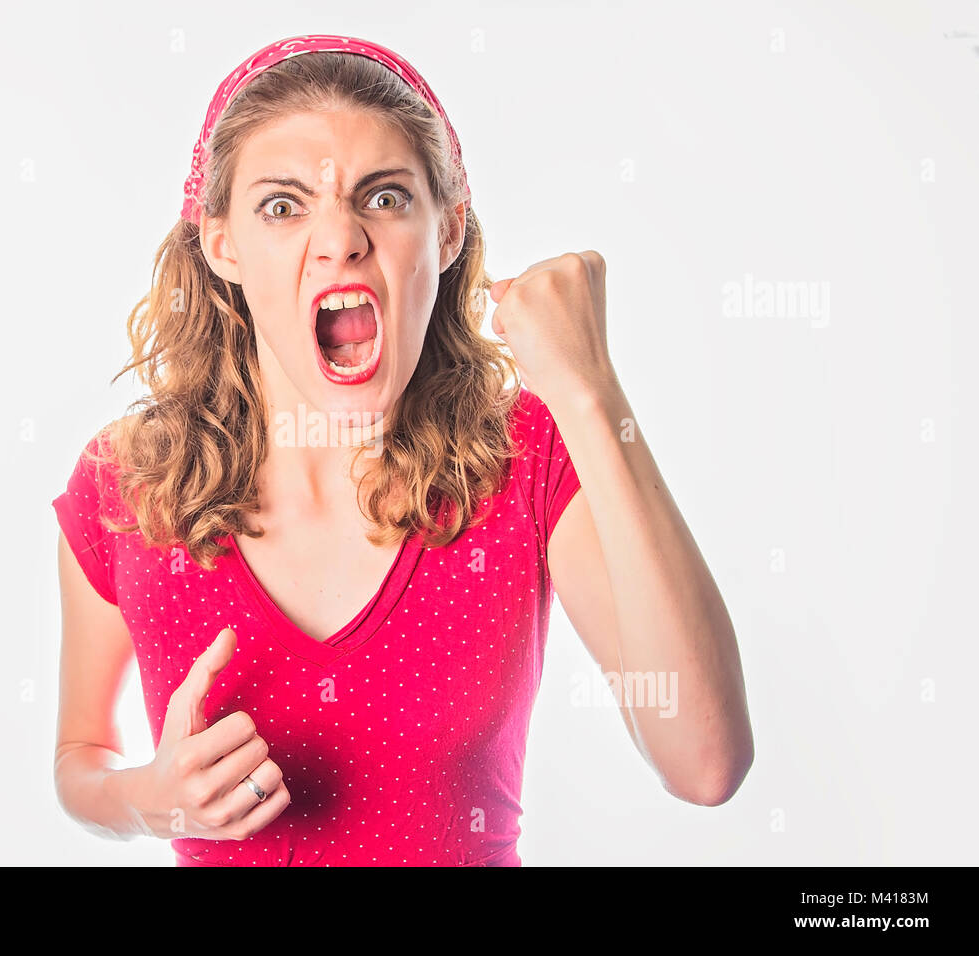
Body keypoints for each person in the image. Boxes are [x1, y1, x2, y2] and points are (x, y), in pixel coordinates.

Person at [51, 34, 753, 866]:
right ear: (221, 244)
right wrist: (146, 802)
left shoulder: (523, 459)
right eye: (282, 206)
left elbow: (705, 762)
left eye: (383, 198)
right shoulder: (128, 485)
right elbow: (78, 759)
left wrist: (591, 393)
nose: (341, 238)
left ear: (448, 230)